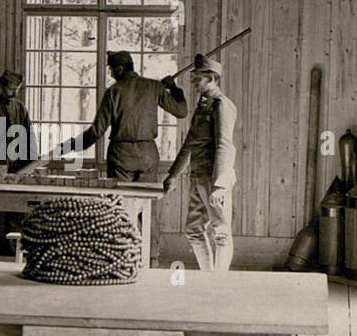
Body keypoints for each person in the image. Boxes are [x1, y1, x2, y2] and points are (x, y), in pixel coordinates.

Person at [23, 50, 187, 182]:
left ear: (120, 69)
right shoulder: (154, 87)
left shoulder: (114, 92)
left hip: (121, 157)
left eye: (111, 70)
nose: (111, 74)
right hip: (148, 155)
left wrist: (72, 146)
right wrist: (173, 88)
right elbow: (181, 111)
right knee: (143, 204)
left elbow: (96, 132)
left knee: (119, 207)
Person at [163, 54, 237, 272]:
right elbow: (189, 145)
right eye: (194, 77)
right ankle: (208, 278)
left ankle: (218, 283)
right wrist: (173, 175)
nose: (194, 82)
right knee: (193, 230)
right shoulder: (203, 106)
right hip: (198, 177)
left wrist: (220, 184)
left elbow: (225, 145)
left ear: (212, 77)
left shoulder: (222, 105)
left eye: (198, 78)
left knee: (221, 232)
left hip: (213, 179)